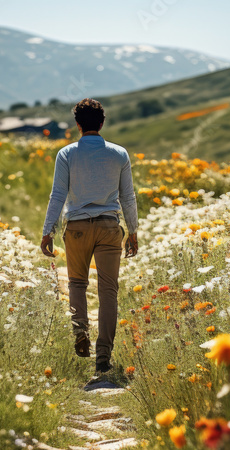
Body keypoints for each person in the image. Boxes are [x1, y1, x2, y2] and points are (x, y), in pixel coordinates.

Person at [40, 98, 138, 376]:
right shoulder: (119, 154)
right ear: (102, 123)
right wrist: (133, 231)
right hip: (109, 226)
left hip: (78, 228)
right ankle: (104, 355)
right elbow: (127, 196)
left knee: (77, 284)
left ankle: (80, 332)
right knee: (109, 291)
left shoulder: (67, 154)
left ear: (78, 124)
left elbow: (58, 194)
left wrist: (49, 230)